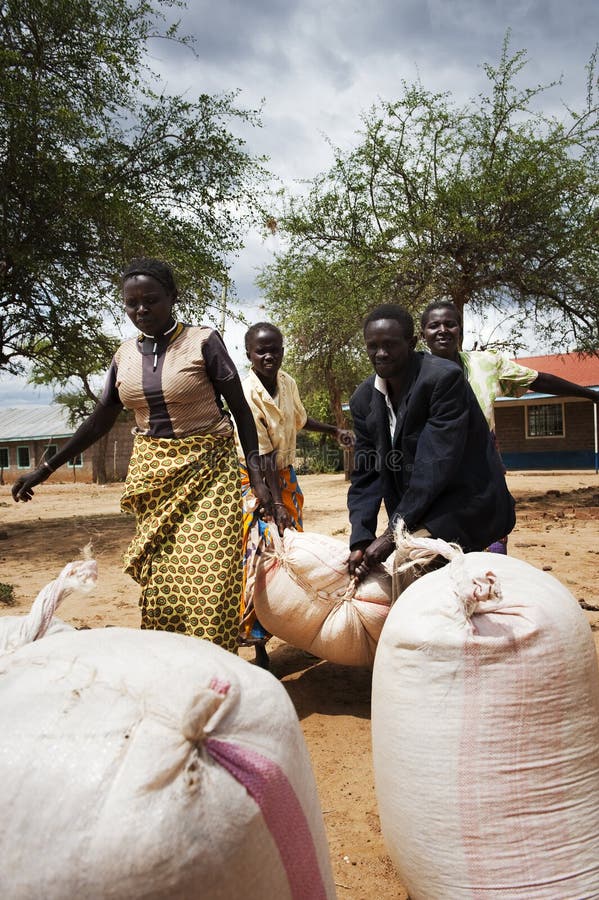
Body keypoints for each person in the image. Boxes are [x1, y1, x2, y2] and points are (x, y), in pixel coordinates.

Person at [12, 258, 272, 653]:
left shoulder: (203, 341)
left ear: (172, 297)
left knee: (212, 582)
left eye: (150, 300)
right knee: (165, 587)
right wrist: (45, 468)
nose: (141, 310)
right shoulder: (124, 356)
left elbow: (239, 409)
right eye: (131, 304)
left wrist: (256, 476)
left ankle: (216, 673)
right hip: (155, 479)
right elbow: (99, 421)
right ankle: (170, 669)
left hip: (209, 471)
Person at [347, 303, 516, 591]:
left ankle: (414, 637)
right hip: (418, 511)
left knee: (411, 563)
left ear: (412, 343)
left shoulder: (443, 379)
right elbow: (366, 474)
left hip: (465, 503)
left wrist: (390, 536)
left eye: (389, 345)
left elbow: (434, 466)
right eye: (372, 346)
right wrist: (362, 538)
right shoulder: (363, 400)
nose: (381, 353)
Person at [420, 299, 599, 552]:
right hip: (437, 474)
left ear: (460, 329)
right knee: (443, 552)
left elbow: (540, 380)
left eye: (450, 324)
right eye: (434, 325)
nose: (442, 330)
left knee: (494, 543)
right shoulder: (413, 375)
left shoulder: (485, 364)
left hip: (484, 469)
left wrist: (592, 395)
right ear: (422, 334)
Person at [237, 322, 354, 667]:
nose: (269, 356)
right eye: (262, 351)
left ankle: (299, 629)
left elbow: (299, 421)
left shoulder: (288, 383)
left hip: (285, 481)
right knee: (262, 557)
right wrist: (273, 504)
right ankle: (259, 647)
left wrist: (334, 430)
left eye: (275, 349)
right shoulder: (247, 393)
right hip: (256, 481)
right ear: (249, 355)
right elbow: (260, 456)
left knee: (294, 557)